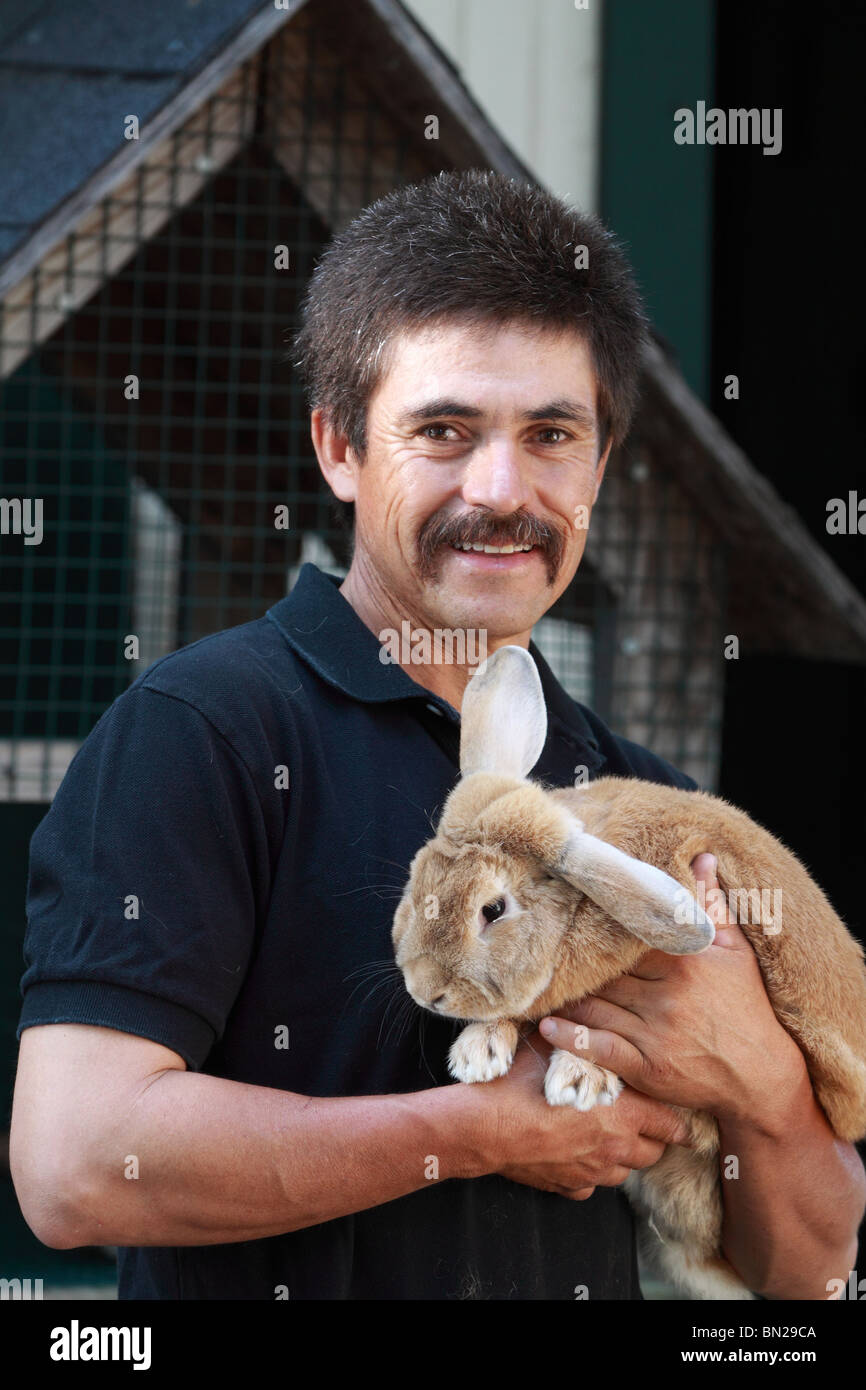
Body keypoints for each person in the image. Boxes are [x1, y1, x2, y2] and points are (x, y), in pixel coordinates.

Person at [10, 171, 864, 1300]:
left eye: (550, 433)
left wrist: (758, 1076)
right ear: (339, 448)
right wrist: (469, 1131)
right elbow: (74, 1162)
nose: (500, 488)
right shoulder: (202, 732)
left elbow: (806, 1273)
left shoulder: (634, 795)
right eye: (444, 430)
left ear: (598, 466)